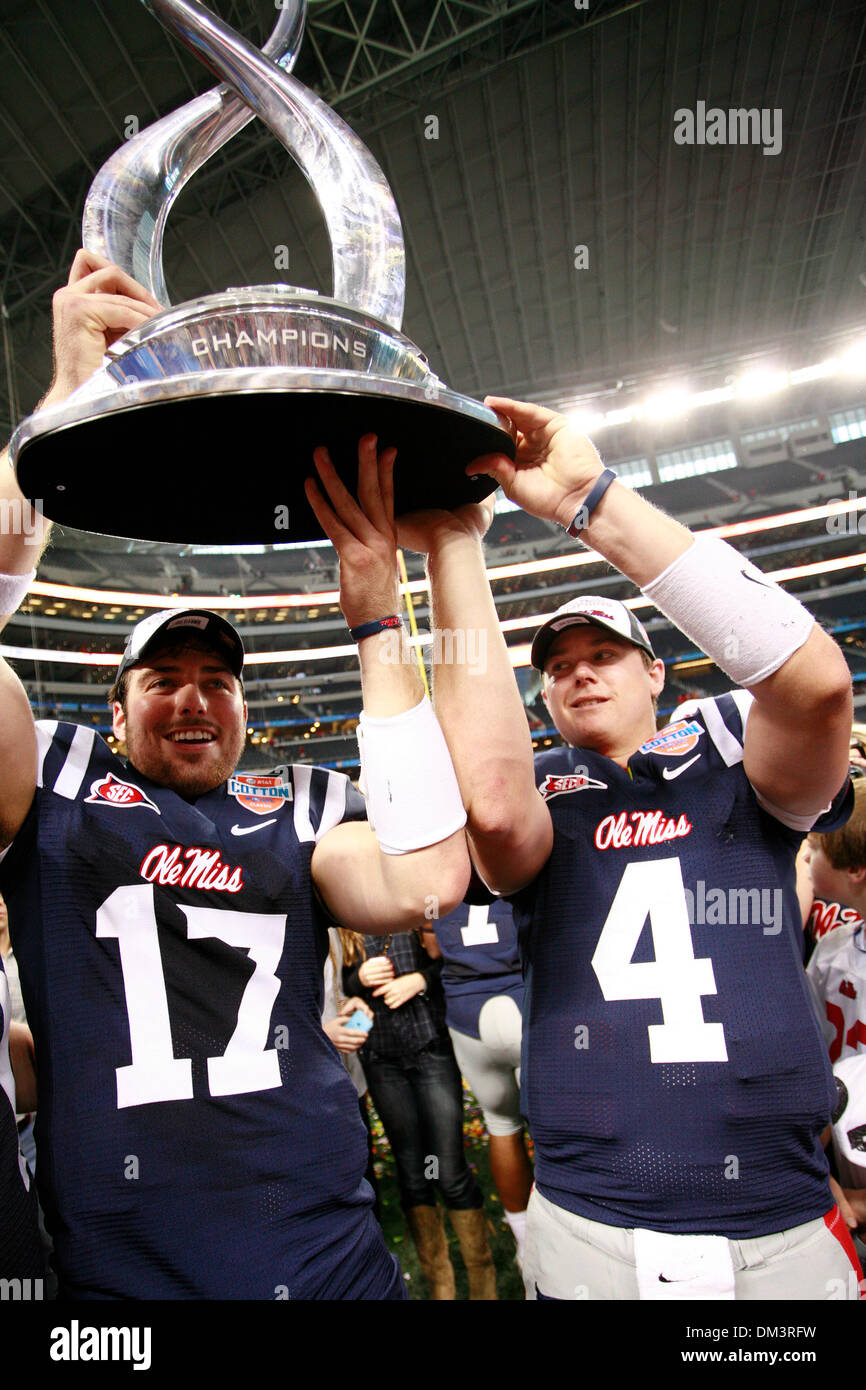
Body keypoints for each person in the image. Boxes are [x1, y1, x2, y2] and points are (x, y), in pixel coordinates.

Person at [0, 252, 470, 1298]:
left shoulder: (296, 806)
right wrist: (58, 414)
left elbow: (427, 880)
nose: (194, 698)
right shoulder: (52, 780)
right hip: (127, 1284)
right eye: (162, 679)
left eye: (219, 680)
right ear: (113, 710)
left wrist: (376, 621)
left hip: (332, 1263)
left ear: (245, 711)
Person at [404, 393, 860, 1299]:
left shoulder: (732, 742)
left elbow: (814, 688)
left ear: (656, 673)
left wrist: (591, 501)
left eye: (602, 656)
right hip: (592, 1220)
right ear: (542, 700)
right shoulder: (540, 787)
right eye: (557, 668)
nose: (577, 673)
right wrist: (453, 543)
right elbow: (492, 808)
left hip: (778, 1215)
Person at [342, 928, 498, 1300]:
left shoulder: (418, 910)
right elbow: (336, 986)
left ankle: (484, 1285)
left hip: (431, 1051)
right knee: (413, 1176)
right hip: (382, 1060)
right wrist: (358, 978)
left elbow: (455, 963)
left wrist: (420, 980)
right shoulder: (346, 920)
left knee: (450, 1171)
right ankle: (441, 1287)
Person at [426, 900, 532, 1266]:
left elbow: (431, 945)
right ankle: (566, 1232)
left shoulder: (441, 873)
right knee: (556, 1128)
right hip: (523, 995)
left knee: (501, 1126)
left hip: (468, 1010)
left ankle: (524, 1243)